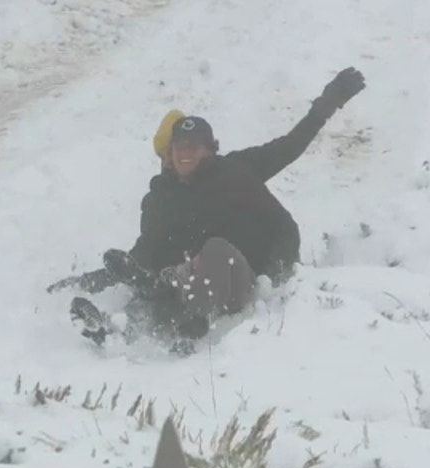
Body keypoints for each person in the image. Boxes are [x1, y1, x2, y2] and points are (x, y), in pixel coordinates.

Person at [51, 67, 366, 349]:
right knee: (155, 278)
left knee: (213, 251)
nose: (185, 154)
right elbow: (145, 252)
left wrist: (330, 100)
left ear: (208, 150)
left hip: (247, 278)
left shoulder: (237, 169)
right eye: (178, 149)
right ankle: (116, 332)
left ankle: (191, 322)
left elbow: (291, 144)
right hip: (184, 285)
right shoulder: (165, 199)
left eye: (193, 147)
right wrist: (85, 281)